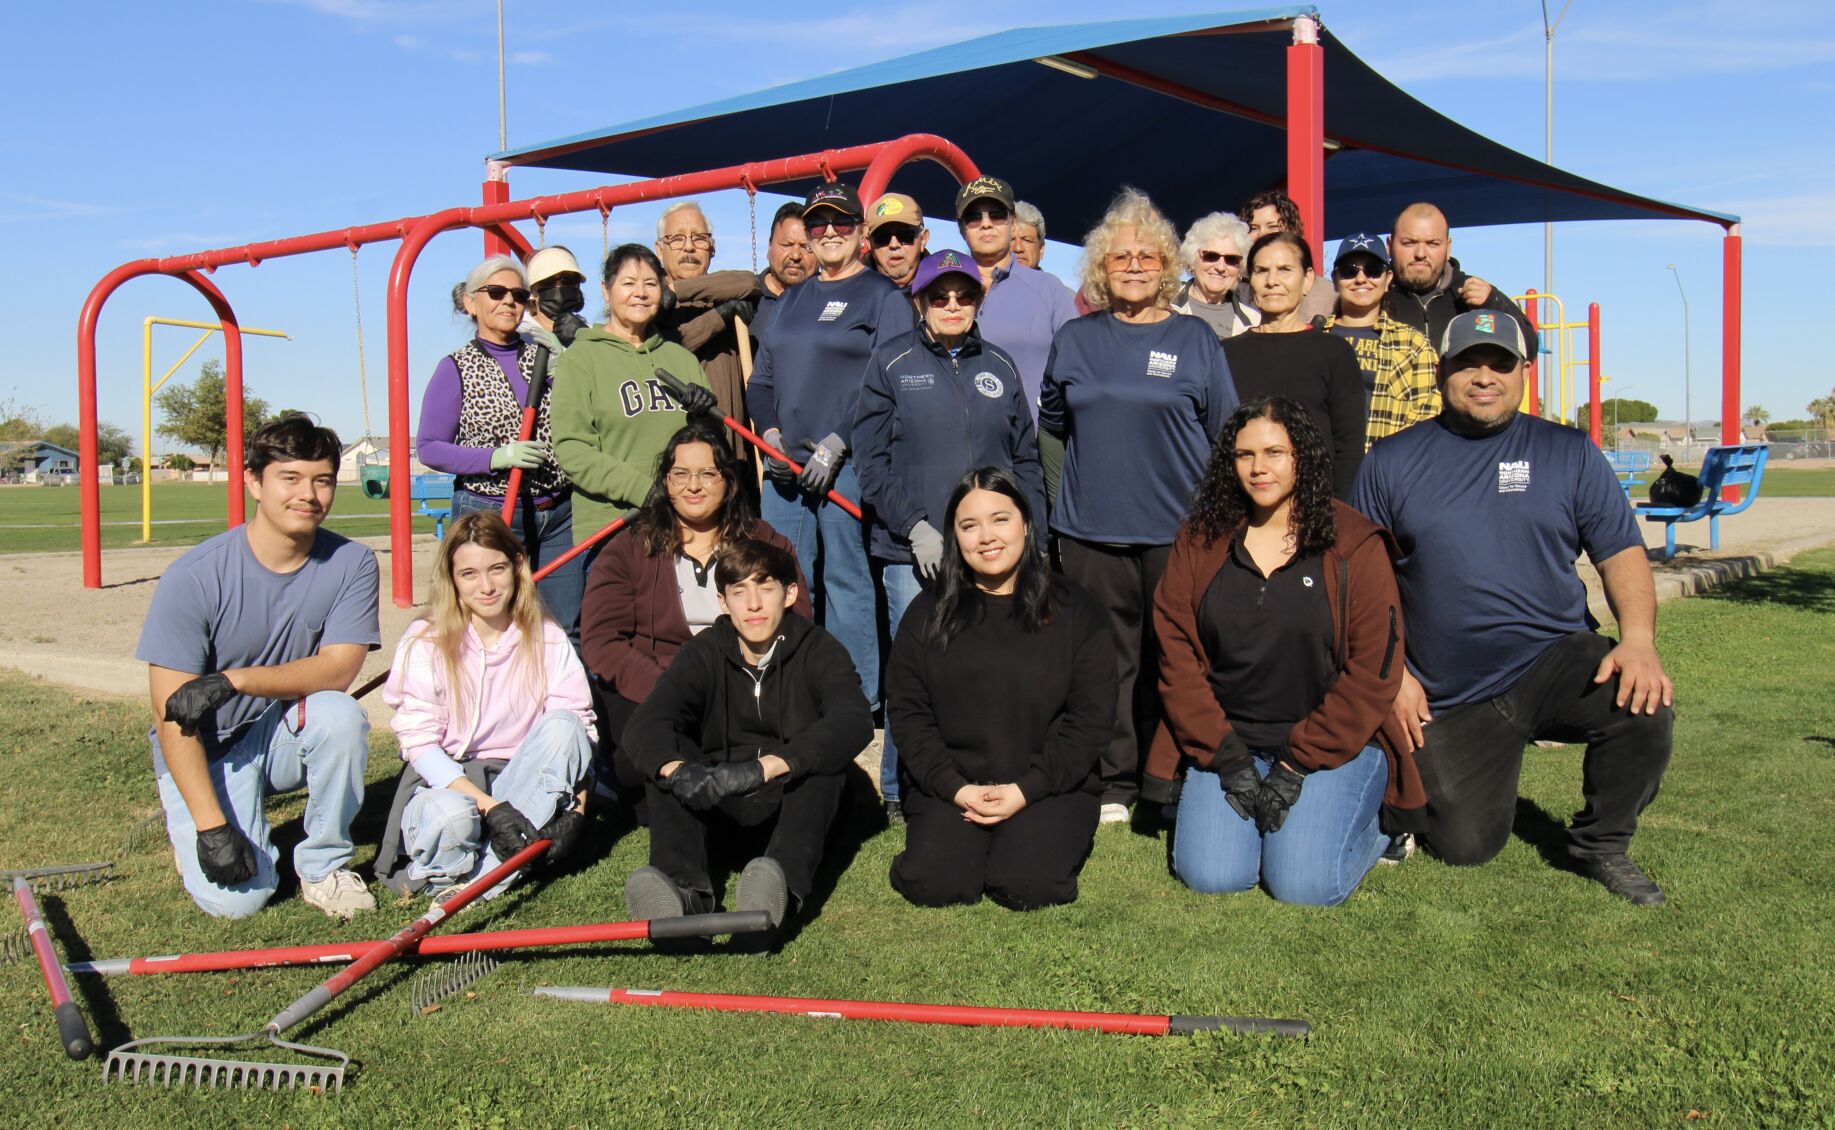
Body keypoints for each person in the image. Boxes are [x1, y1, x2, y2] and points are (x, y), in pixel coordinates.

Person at [1351, 311, 1673, 904]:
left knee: (1642, 703)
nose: (1484, 376)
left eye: (1500, 363)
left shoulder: (1568, 452)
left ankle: (1603, 845)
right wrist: (1392, 675)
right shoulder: (1391, 462)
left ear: (1524, 372)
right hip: (1450, 690)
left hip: (1553, 659)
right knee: (1465, 845)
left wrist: (1638, 640)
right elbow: (1361, 585)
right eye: (1468, 362)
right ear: (1443, 371)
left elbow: (1620, 549)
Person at [1143, 398, 1416, 906]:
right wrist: (1224, 756)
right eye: (1245, 454)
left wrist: (1295, 766)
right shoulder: (1202, 540)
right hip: (1231, 742)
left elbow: (1372, 672)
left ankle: (1385, 832)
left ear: (1302, 458)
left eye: (1274, 452)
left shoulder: (1353, 542)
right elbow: (1176, 659)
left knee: (1303, 885)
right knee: (1212, 874)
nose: (1259, 467)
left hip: (1330, 747)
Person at [1039, 187, 1239, 824]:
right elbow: (1052, 424)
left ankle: (1176, 773)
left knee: (1177, 659)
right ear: (1101, 266)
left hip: (1176, 533)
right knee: (1108, 663)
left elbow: (1225, 434)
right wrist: (1060, 501)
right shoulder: (1074, 339)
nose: (1131, 266)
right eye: (1119, 257)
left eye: (1146, 257)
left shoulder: (1196, 341)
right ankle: (1116, 784)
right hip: (1091, 535)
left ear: (1167, 266)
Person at [135, 413, 379, 919]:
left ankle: (324, 866)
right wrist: (210, 826)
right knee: (241, 900)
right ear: (254, 482)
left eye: (322, 480)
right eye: (289, 478)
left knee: (339, 714)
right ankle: (198, 824)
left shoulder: (353, 564)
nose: (307, 494)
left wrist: (235, 681)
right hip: (205, 749)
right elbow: (172, 715)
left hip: (274, 734)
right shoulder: (193, 577)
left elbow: (337, 672)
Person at [853, 250, 1044, 817]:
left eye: (964, 295)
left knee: (987, 669)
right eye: (940, 296)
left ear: (978, 301)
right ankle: (898, 790)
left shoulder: (1002, 366)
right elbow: (871, 460)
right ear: (921, 302)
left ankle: (985, 777)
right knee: (918, 673)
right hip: (915, 552)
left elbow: (1026, 459)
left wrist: (1025, 527)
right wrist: (915, 528)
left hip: (990, 551)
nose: (953, 305)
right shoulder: (890, 363)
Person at [886, 469, 1116, 909]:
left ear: (1026, 525)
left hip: (1047, 785)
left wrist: (1025, 791)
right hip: (955, 787)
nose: (986, 537)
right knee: (937, 883)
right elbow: (909, 715)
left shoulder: (1075, 610)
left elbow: (1090, 719)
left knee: (1030, 885)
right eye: (969, 526)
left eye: (1000, 519)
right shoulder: (927, 614)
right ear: (955, 537)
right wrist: (955, 788)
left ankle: (1017, 841)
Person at [621, 538, 873, 932]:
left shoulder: (819, 649)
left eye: (765, 588)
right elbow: (646, 723)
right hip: (720, 804)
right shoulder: (703, 652)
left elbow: (853, 718)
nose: (753, 604)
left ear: (789, 594)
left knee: (822, 763)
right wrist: (677, 770)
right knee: (670, 754)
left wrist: (766, 768)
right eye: (739, 591)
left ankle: (779, 896)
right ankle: (683, 896)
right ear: (723, 602)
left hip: (792, 814)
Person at [745, 182, 912, 716]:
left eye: (842, 223)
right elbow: (761, 382)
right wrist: (769, 435)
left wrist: (839, 442)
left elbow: (887, 381)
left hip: (847, 464)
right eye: (819, 225)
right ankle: (785, 689)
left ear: (860, 233)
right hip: (785, 467)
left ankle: (855, 697)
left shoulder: (883, 297)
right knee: (780, 576)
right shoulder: (791, 300)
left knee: (845, 578)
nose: (830, 233)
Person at [579, 422, 810, 800]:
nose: (694, 485)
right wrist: (664, 688)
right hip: (657, 687)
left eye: (707, 473)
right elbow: (601, 640)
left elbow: (796, 617)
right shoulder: (629, 548)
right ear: (666, 482)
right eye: (681, 474)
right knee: (644, 762)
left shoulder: (763, 541)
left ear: (728, 481)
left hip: (743, 685)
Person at [375, 513, 594, 900]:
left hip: (521, 783)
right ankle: (492, 872)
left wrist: (577, 811)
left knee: (564, 725)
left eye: (497, 568)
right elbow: (420, 745)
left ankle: (468, 884)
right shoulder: (426, 640)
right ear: (451, 579)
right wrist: (491, 809)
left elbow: (577, 733)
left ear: (518, 565)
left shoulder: (547, 635)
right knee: (453, 817)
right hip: (449, 784)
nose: (488, 586)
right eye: (470, 574)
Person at [419, 255, 584, 638]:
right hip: (492, 512)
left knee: (563, 626)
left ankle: (563, 698)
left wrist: (572, 363)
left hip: (558, 511)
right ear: (470, 302)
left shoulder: (544, 353)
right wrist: (495, 457)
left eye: (519, 294)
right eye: (496, 292)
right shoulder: (455, 367)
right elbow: (429, 447)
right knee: (489, 624)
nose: (509, 301)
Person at [550, 243, 718, 562]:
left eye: (650, 283)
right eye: (628, 283)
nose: (640, 293)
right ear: (605, 290)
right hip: (612, 529)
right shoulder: (581, 359)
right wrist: (641, 490)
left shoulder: (680, 359)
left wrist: (705, 421)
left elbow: (709, 447)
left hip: (682, 526)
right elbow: (573, 449)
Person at [1221, 233, 1365, 499]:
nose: (1272, 281)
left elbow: (1350, 447)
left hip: (1315, 508)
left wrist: (1337, 514)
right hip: (1241, 507)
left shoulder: (1334, 353)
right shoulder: (1225, 353)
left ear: (1307, 279)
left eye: (1284, 270)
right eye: (1261, 271)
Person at [654, 200, 763, 464]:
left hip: (735, 452)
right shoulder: (649, 303)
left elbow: (749, 281)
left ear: (712, 248)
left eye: (699, 238)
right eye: (677, 238)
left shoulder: (720, 291)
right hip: (680, 454)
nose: (689, 247)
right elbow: (665, 348)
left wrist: (678, 290)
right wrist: (718, 318)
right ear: (659, 249)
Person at [1319, 233, 1441, 450]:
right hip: (1325, 470)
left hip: (1387, 474)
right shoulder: (1315, 338)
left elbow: (1426, 418)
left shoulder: (1413, 344)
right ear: (1335, 280)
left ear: (1388, 279)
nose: (1361, 278)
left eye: (1373, 271)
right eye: (1349, 270)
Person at [1383, 202, 1538, 356]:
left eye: (1432, 244)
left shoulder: (1473, 295)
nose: (1420, 253)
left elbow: (1528, 346)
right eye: (1409, 243)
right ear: (1389, 247)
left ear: (1448, 247)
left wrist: (1492, 303)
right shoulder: (1373, 296)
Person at [1237, 189, 1335, 322]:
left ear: (1291, 229)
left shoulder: (1326, 292)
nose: (1262, 234)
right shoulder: (1235, 284)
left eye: (1272, 226)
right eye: (1254, 228)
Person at [1172, 212, 1259, 339]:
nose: (1220, 267)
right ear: (1192, 260)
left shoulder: (1255, 322)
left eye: (1231, 259)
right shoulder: (1164, 306)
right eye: (1211, 256)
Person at [747, 202, 816, 343]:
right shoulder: (746, 297)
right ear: (769, 247)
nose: (795, 255)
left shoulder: (831, 299)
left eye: (806, 247)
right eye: (786, 245)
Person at [866, 192, 928, 289]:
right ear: (869, 243)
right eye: (882, 236)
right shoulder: (851, 292)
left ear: (923, 239)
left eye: (905, 234)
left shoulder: (950, 293)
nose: (894, 244)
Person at [1011, 201, 1046, 270]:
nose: (1018, 248)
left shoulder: (1051, 281)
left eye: (1027, 240)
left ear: (1041, 249)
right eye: (1010, 240)